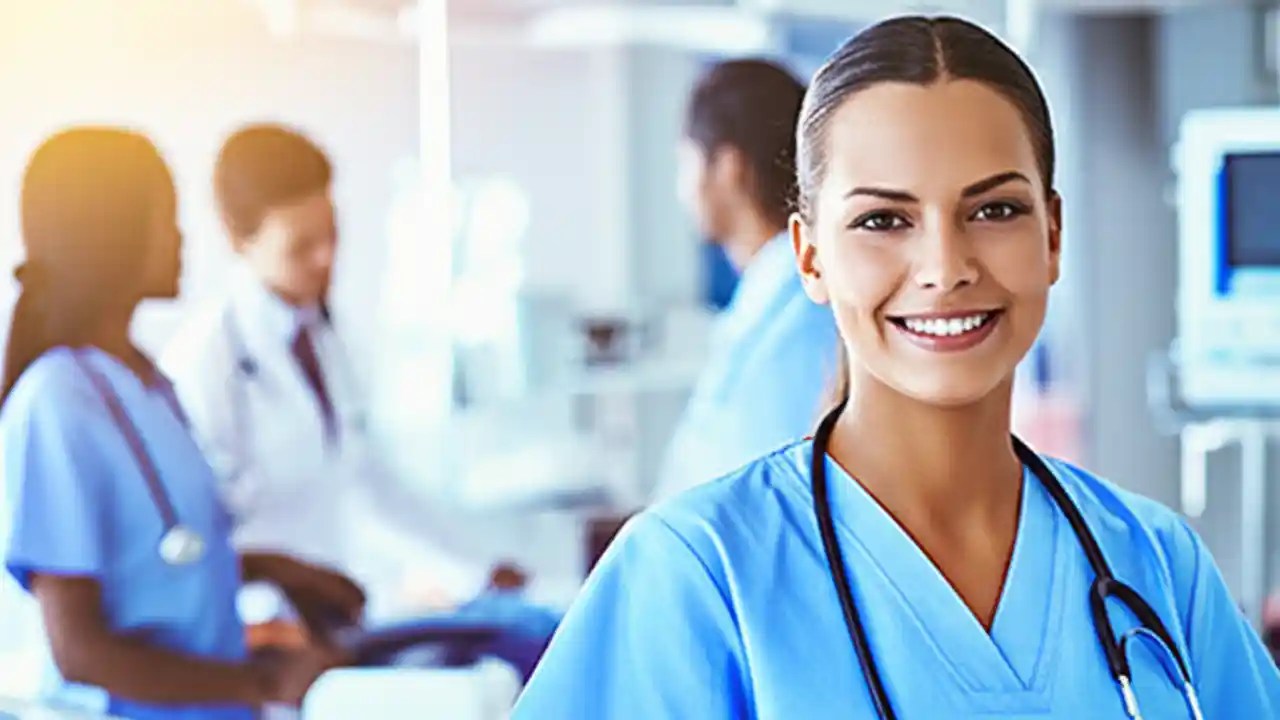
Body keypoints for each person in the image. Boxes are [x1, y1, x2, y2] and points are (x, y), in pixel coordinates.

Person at [512, 17, 1280, 718]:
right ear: (811, 256)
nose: (945, 267)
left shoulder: (1153, 563)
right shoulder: (699, 575)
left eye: (994, 210)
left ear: (1052, 234)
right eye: (884, 220)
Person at [162, 124, 556, 679]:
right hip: (272, 640)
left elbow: (367, 479)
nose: (326, 259)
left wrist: (476, 567)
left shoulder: (324, 337)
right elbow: (200, 541)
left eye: (332, 234)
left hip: (341, 618)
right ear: (239, 239)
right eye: (301, 246)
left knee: (532, 633)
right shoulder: (206, 364)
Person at [0, 128, 357, 719]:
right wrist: (261, 683)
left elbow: (157, 567)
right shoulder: (57, 402)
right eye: (164, 218)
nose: (181, 238)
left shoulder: (149, 385)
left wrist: (274, 568)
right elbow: (79, 650)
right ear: (111, 237)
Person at [656, 59, 839, 499]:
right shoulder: (771, 299)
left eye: (686, 163)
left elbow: (769, 488)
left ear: (728, 168)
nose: (683, 189)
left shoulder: (803, 315)